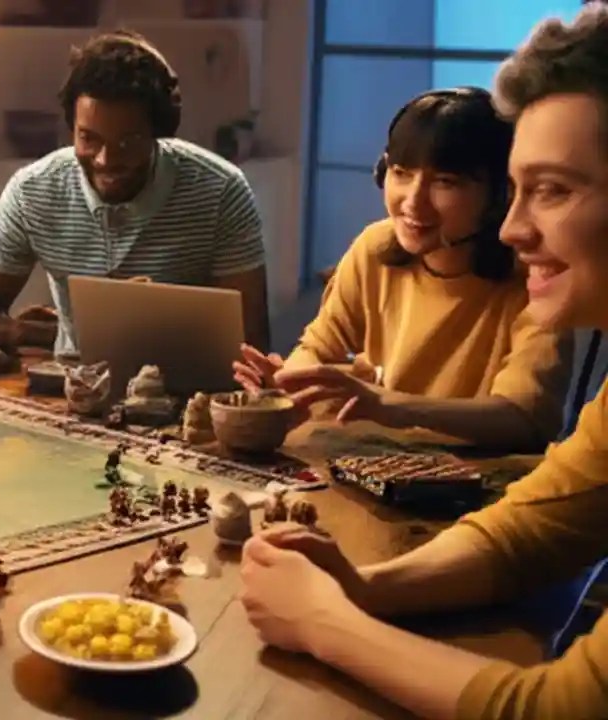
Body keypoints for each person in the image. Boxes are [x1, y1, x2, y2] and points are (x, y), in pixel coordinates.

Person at [240, 6, 608, 718]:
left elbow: (559, 708)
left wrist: (324, 621)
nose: (512, 228)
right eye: (517, 188)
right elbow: (532, 529)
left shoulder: (515, 286)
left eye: (554, 189)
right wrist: (365, 588)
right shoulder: (372, 251)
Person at [234, 86, 572, 450]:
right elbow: (319, 347)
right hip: (376, 458)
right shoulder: (375, 247)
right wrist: (290, 384)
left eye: (445, 182)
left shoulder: (534, 275)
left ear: (500, 194)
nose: (413, 201)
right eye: (401, 173)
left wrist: (386, 404)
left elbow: (522, 417)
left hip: (477, 478)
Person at [0, 30, 271, 359]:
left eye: (127, 141)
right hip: (75, 385)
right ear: (71, 128)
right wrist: (37, 334)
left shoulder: (221, 191)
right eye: (89, 138)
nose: (106, 160)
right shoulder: (33, 191)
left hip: (186, 388)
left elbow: (253, 344)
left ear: (158, 131)